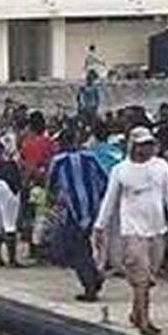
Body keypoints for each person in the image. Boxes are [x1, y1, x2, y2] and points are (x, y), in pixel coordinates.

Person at [93, 127, 168, 335]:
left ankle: (136, 312)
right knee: (141, 276)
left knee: (148, 277)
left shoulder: (161, 167)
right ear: (133, 146)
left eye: (149, 145)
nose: (147, 149)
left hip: (157, 229)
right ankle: (145, 321)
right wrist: (100, 226)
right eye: (142, 145)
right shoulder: (120, 170)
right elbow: (110, 199)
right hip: (132, 230)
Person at [49, 126, 110, 301]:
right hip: (94, 210)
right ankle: (93, 277)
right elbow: (105, 179)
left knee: (75, 250)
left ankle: (90, 284)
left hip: (73, 213)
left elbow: (52, 186)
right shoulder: (91, 157)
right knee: (83, 247)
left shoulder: (58, 161)